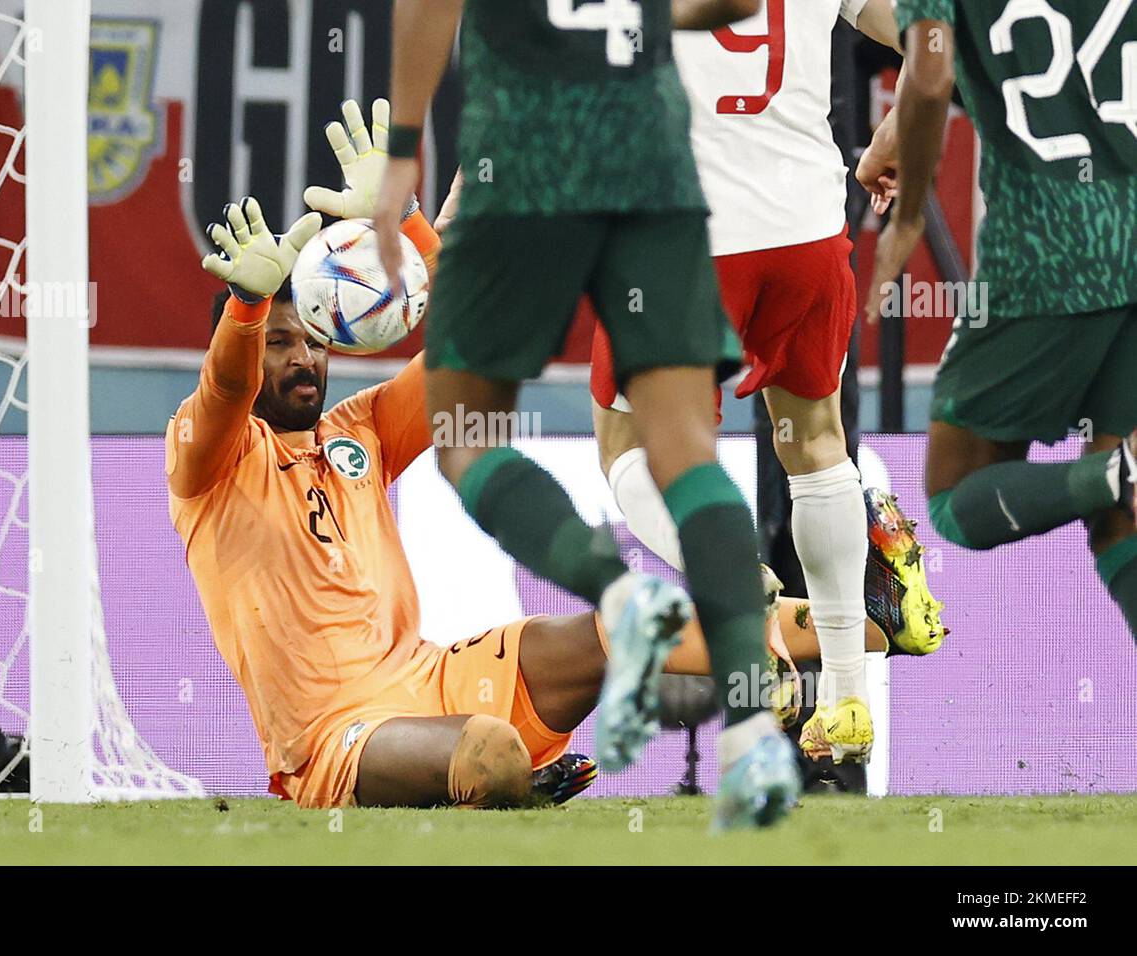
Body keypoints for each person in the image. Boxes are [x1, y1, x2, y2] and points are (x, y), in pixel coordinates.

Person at [371, 0, 801, 829]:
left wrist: (401, 156)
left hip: (524, 152)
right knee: (685, 451)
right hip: (651, 159)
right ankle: (751, 729)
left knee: (464, 434)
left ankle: (616, 595)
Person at [584, 0, 945, 764]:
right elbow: (927, 34)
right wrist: (896, 134)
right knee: (817, 447)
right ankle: (847, 698)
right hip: (807, 232)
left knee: (625, 447)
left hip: (687, 235)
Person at [862, 0, 1137, 636]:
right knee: (1120, 521)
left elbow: (931, 72)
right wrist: (893, 132)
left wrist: (906, 223)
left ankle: (1119, 470)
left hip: (1050, 248)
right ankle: (1118, 472)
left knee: (954, 493)